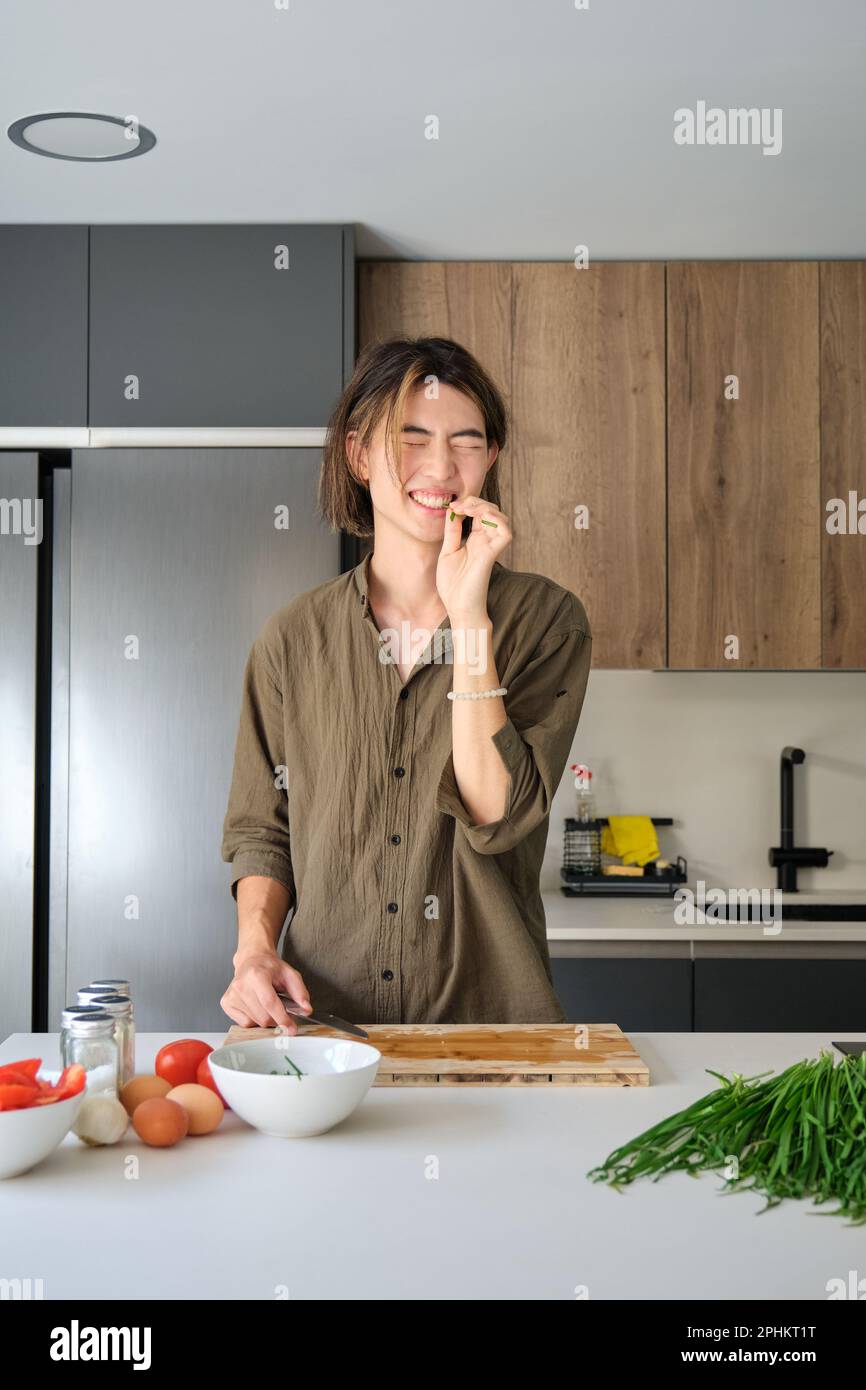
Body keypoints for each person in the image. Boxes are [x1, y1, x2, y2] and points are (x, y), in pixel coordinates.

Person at [220, 336, 592, 1032]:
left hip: (490, 1026)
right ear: (359, 455)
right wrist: (254, 950)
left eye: (466, 442)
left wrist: (470, 617)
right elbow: (261, 831)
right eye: (412, 439)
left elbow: (497, 815)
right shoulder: (292, 639)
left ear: (491, 459)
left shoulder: (546, 621)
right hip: (321, 1029)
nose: (441, 467)